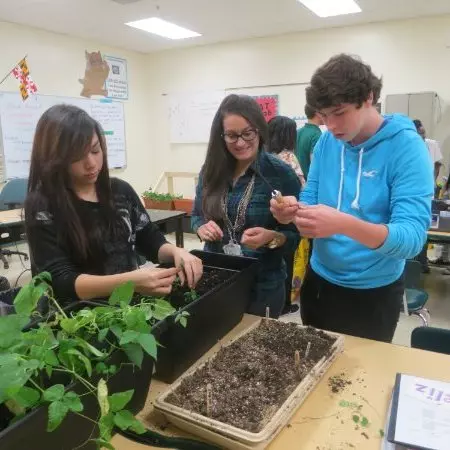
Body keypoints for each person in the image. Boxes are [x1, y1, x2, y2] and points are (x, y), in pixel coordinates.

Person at [270, 54, 433, 343]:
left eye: (339, 112)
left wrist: (343, 224)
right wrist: (294, 212)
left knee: (360, 380)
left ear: (368, 98)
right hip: (319, 281)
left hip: (374, 293)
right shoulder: (326, 143)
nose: (331, 125)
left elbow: (410, 240)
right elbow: (311, 196)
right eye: (324, 115)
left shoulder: (407, 148)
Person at [25, 104, 203, 304]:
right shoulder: (43, 206)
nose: (91, 163)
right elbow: (61, 281)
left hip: (126, 310)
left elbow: (150, 239)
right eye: (77, 157)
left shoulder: (120, 192)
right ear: (55, 158)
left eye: (95, 150)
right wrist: (129, 282)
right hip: (77, 318)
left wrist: (176, 252)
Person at [192, 95, 301, 318]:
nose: (240, 143)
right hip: (218, 276)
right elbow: (196, 214)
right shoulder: (210, 171)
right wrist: (200, 227)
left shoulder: (280, 174)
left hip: (263, 285)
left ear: (260, 130)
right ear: (221, 136)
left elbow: (295, 235)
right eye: (231, 135)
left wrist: (272, 237)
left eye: (248, 133)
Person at [267, 115, 304, 314]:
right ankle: (285, 304)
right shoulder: (289, 158)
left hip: (266, 219)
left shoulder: (263, 156)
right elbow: (301, 188)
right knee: (288, 260)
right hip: (286, 218)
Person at [295, 104, 323, 180]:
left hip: (297, 179)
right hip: (309, 181)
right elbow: (315, 164)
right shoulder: (317, 135)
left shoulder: (298, 132)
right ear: (318, 113)